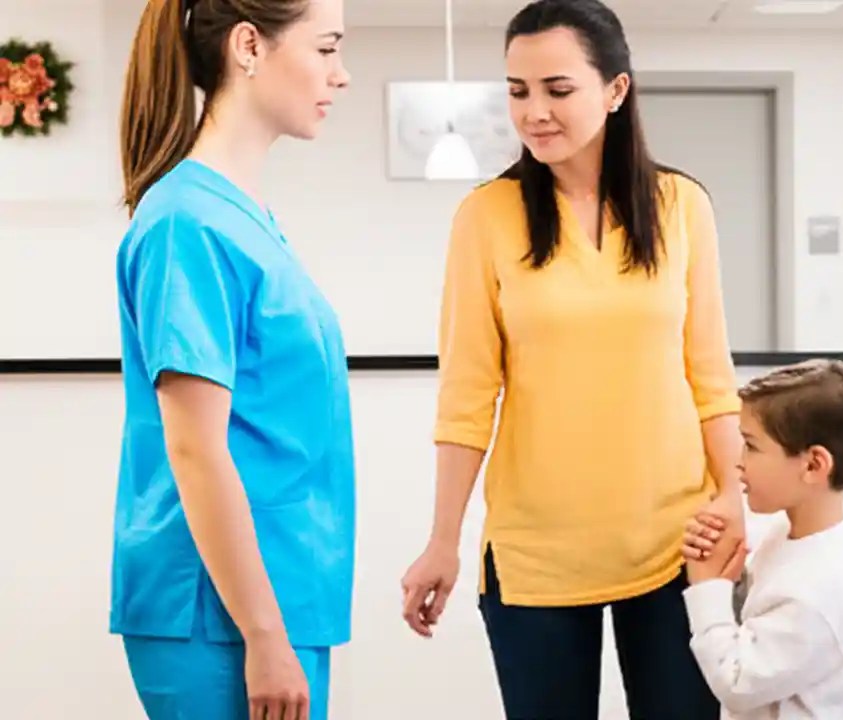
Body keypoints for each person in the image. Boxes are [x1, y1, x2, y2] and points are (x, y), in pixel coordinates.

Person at [398, 0, 745, 716]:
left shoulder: (681, 206)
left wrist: (733, 497)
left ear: (616, 90)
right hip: (536, 553)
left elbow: (710, 378)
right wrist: (442, 541)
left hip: (676, 541)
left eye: (558, 89)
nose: (534, 112)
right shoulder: (485, 217)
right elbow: (467, 397)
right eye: (518, 91)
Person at [111, 1, 352, 718]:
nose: (340, 74)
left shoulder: (239, 215)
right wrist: (263, 634)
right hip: (222, 619)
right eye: (326, 48)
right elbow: (195, 448)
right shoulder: (186, 221)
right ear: (248, 45)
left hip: (277, 594)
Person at [682, 359, 843, 720]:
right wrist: (727, 576)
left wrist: (706, 587)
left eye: (751, 446)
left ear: (813, 465)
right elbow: (764, 620)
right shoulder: (795, 536)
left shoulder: (821, 587)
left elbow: (738, 682)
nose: (738, 462)